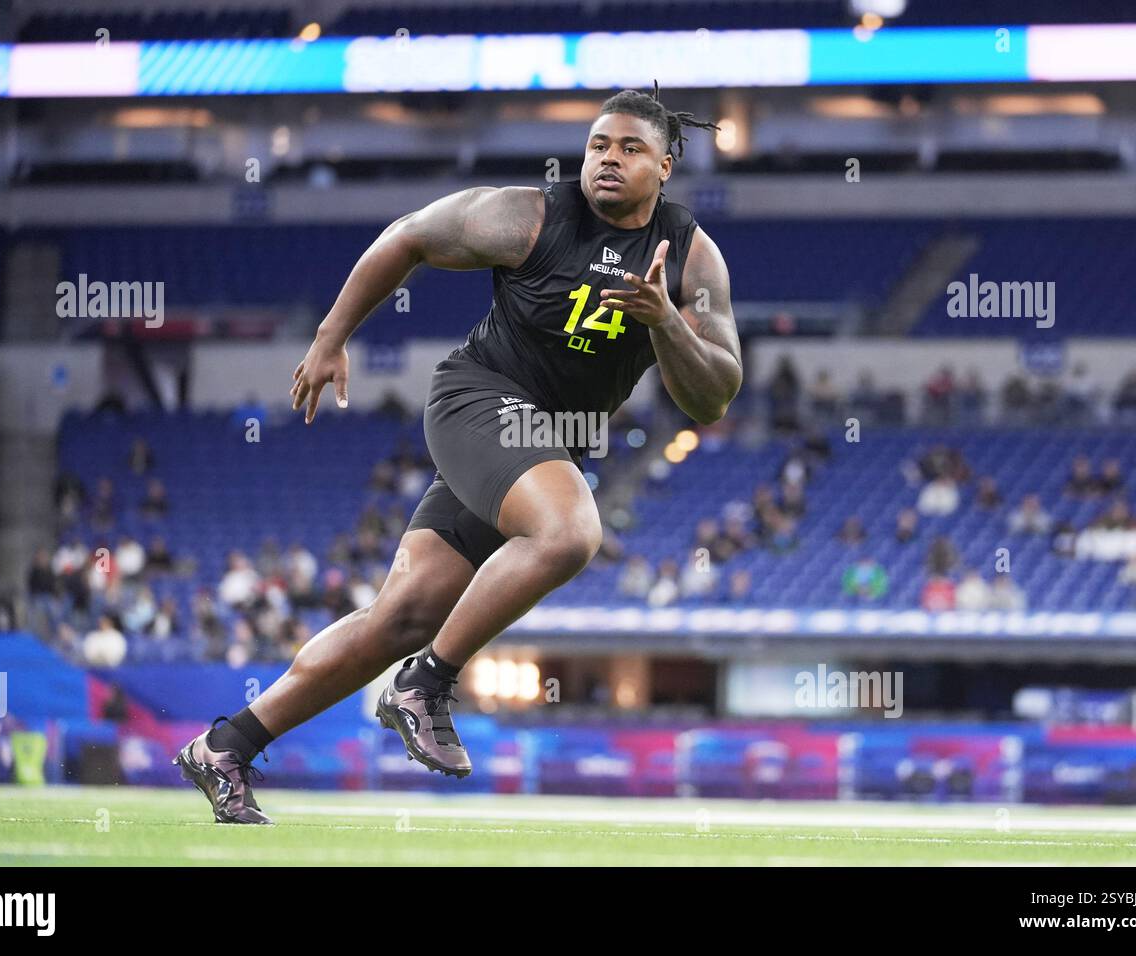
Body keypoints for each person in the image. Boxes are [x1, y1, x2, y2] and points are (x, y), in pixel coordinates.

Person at [175, 82, 740, 824]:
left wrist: (665, 320)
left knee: (401, 614)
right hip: (478, 401)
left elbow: (714, 395)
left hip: (547, 438)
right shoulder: (530, 214)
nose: (607, 159)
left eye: (630, 148)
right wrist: (329, 337)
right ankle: (426, 685)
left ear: (666, 165)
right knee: (569, 531)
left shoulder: (692, 258)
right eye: (598, 144)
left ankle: (226, 746)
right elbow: (405, 235)